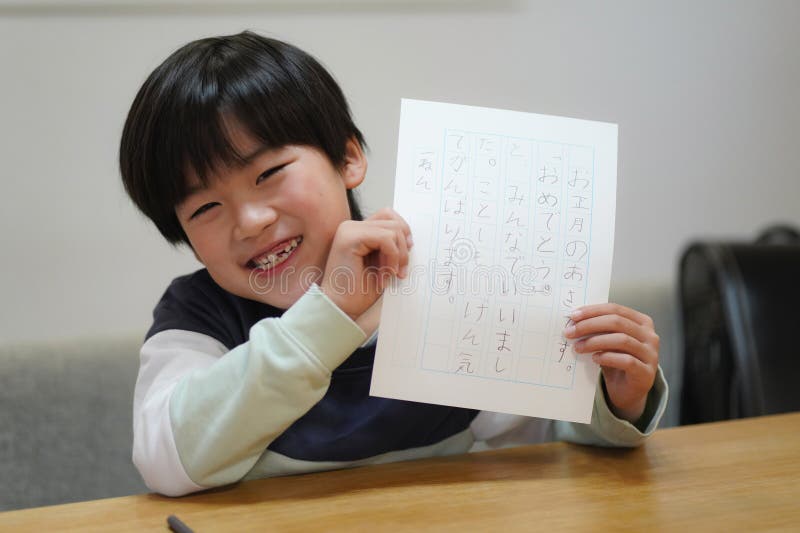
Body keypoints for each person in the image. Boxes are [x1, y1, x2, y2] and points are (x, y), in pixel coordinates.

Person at [119, 31, 667, 497]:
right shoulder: (198, 313)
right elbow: (168, 459)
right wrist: (328, 311)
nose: (251, 220)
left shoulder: (448, 275)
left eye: (269, 173)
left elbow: (529, 446)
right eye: (206, 207)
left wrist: (614, 401)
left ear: (348, 157)